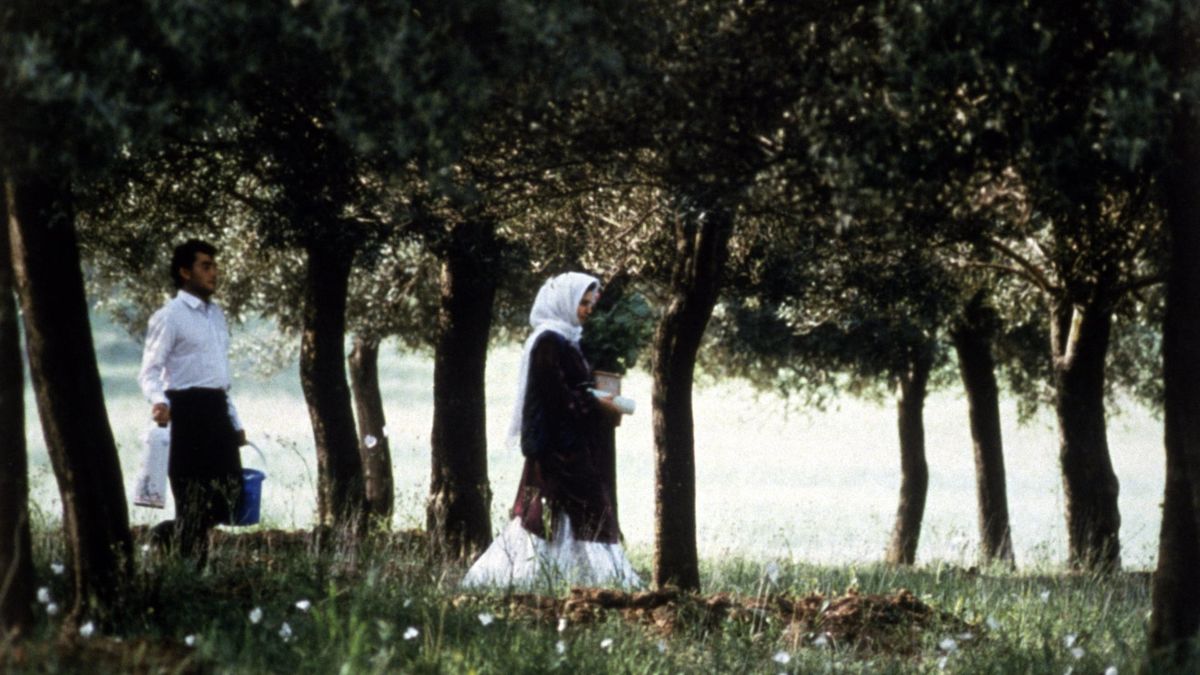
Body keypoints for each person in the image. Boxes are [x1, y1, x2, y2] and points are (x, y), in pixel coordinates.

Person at [463, 272, 641, 589]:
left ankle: (578, 582)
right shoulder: (549, 342)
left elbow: (572, 390)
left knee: (570, 515)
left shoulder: (567, 340)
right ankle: (536, 580)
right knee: (564, 514)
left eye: (590, 303)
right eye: (582, 303)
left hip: (569, 445)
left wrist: (594, 398)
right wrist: (595, 402)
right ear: (564, 302)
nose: (587, 310)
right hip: (557, 450)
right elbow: (556, 398)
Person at [138, 239, 246, 567]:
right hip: (185, 413)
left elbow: (220, 376)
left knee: (230, 496)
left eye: (215, 266)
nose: (214, 273)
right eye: (206, 266)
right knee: (192, 500)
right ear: (185, 272)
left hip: (217, 410)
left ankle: (165, 536)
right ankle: (190, 573)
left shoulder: (217, 316)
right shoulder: (169, 317)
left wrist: (235, 422)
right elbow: (149, 371)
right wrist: (159, 402)